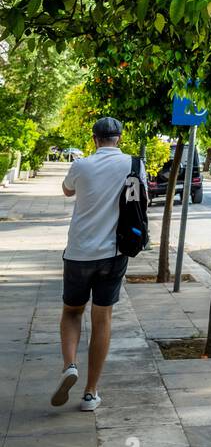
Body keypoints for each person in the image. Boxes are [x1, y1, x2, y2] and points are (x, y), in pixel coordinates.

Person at [53, 116, 147, 413]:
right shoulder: (134, 163)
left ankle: (70, 365)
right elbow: (142, 196)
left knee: (72, 312)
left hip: (80, 252)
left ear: (94, 138)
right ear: (119, 137)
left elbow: (67, 191)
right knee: (102, 318)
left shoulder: (82, 165)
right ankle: (91, 393)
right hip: (114, 252)